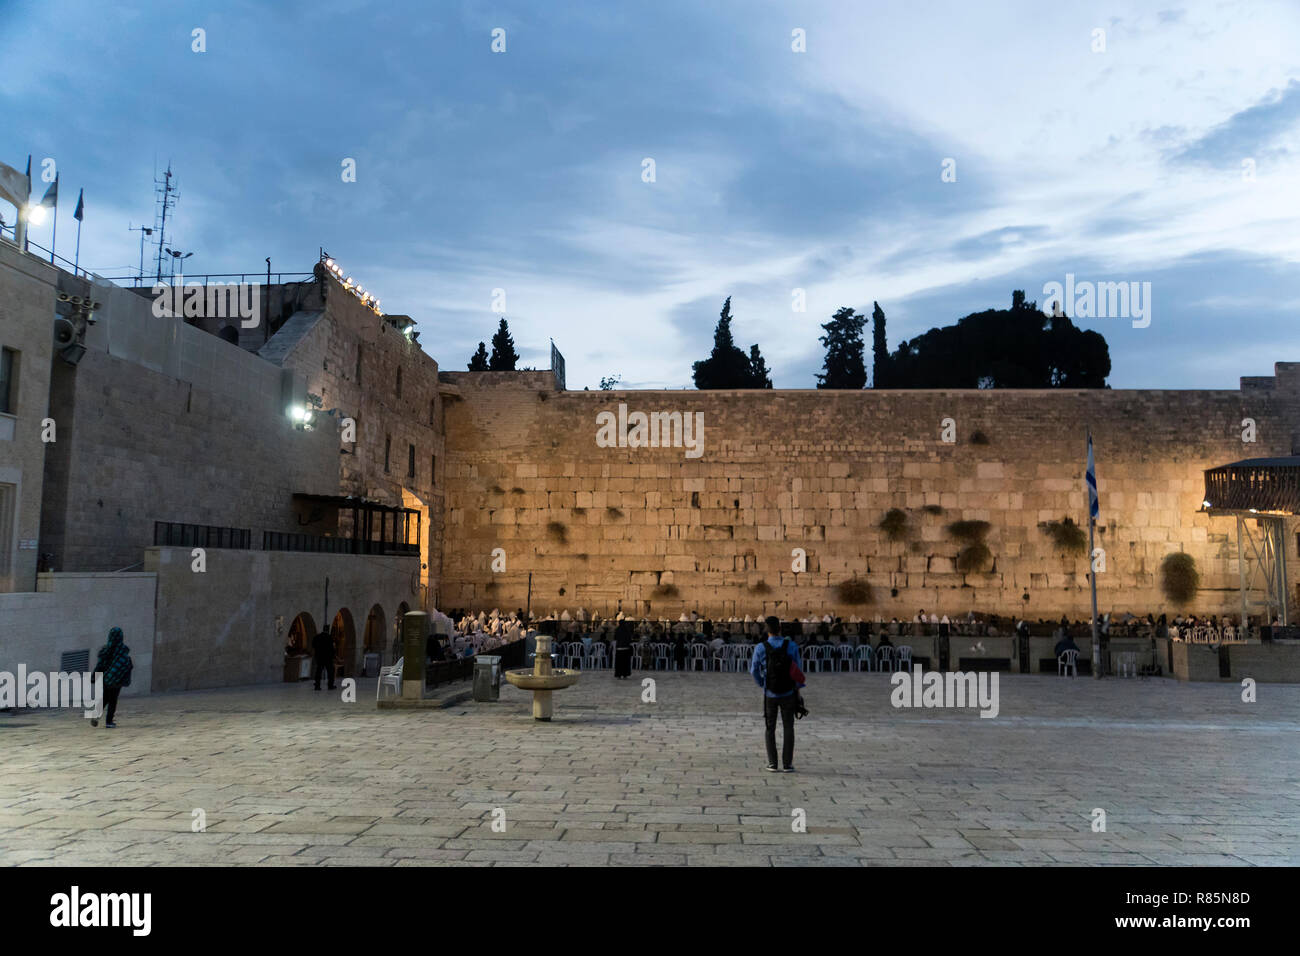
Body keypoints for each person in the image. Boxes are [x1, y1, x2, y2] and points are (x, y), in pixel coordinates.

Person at [750, 615, 804, 773]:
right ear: (780, 629)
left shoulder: (761, 647)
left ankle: (772, 763)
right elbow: (798, 672)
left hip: (770, 693)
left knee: (770, 728)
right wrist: (798, 692)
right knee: (789, 727)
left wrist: (762, 684)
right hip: (788, 693)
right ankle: (787, 764)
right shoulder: (791, 646)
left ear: (767, 631)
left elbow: (754, 670)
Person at [90, 627, 133, 728]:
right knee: (113, 700)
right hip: (117, 679)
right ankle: (109, 721)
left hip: (106, 679)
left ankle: (96, 715)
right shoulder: (123, 650)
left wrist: (94, 677)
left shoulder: (106, 650)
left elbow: (100, 665)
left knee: (105, 698)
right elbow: (126, 664)